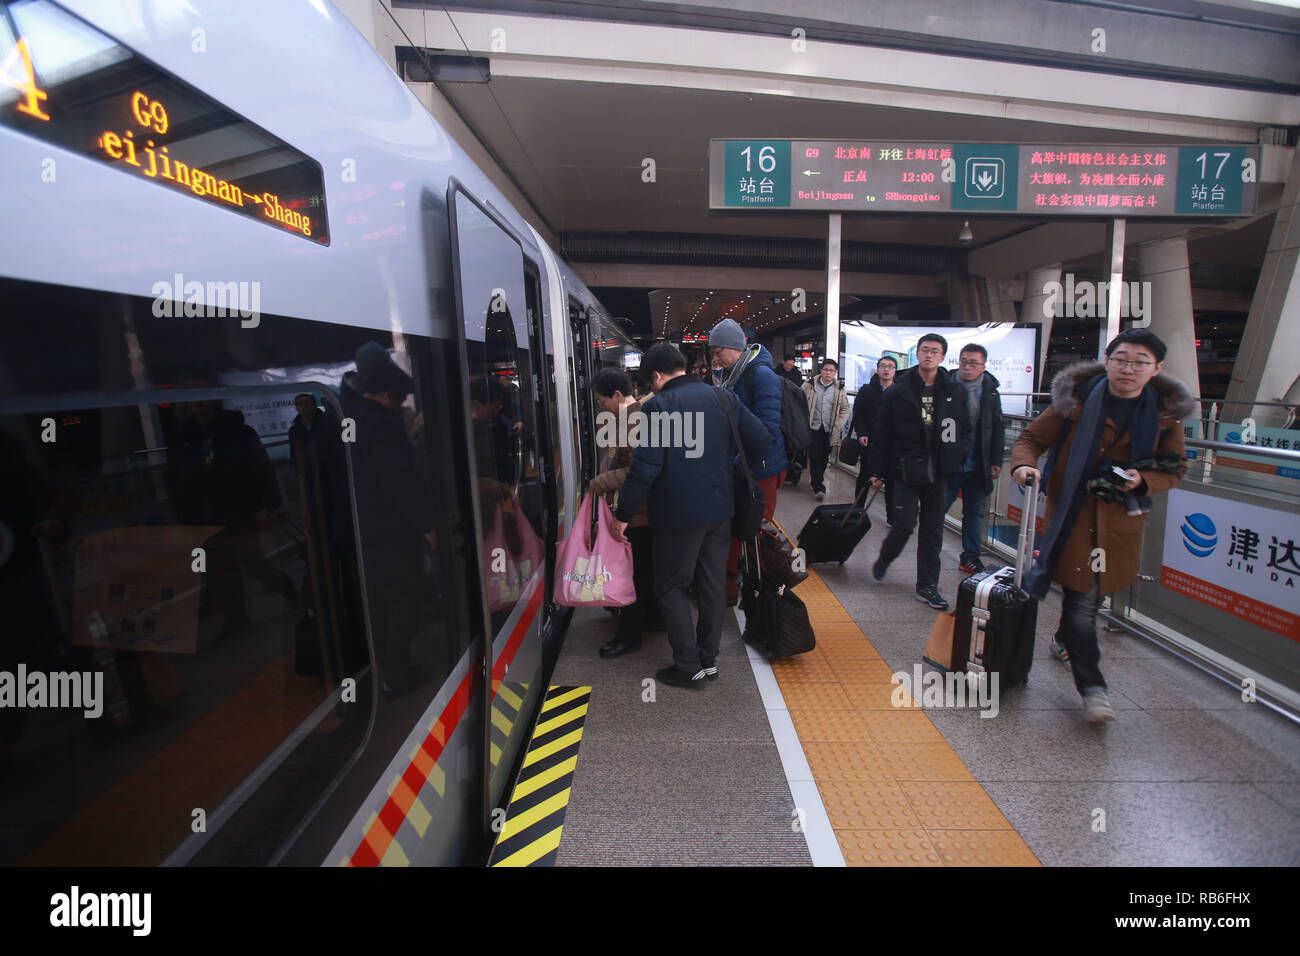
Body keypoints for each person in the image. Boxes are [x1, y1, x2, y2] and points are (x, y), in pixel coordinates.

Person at [1011, 329, 1192, 723]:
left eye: (1140, 362)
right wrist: (1024, 464)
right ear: (1107, 361)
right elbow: (1030, 438)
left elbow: (1175, 467)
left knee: (1085, 599)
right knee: (1083, 603)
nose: (1128, 368)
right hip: (1073, 517)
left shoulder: (1165, 413)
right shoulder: (1074, 400)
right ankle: (1093, 689)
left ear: (1157, 368)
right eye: (1121, 359)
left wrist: (1143, 481)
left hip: (1119, 520)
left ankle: (1063, 639)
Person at [610, 344, 769, 688]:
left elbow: (645, 467)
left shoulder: (659, 408)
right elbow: (762, 440)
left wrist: (623, 513)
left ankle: (688, 665)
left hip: (679, 515)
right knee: (711, 586)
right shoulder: (724, 399)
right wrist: (728, 467)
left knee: (670, 586)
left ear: (656, 375)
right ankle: (708, 661)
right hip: (720, 510)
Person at [340, 342, 438, 696]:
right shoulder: (382, 426)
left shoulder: (347, 414)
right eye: (397, 399)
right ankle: (397, 676)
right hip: (390, 531)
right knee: (403, 600)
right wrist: (426, 526)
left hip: (364, 528)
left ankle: (387, 669)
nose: (399, 407)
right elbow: (398, 484)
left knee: (383, 603)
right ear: (384, 393)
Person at [866, 333, 969, 611]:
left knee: (933, 529)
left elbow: (964, 429)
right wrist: (878, 470)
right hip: (906, 468)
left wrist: (958, 458)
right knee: (904, 524)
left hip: (940, 470)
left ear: (943, 357)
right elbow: (882, 433)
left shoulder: (953, 390)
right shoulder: (899, 390)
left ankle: (927, 585)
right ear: (917, 354)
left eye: (935, 351)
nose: (929, 355)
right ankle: (885, 557)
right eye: (924, 350)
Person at [707, 318, 788, 604]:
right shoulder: (732, 375)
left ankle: (765, 586)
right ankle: (733, 581)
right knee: (735, 525)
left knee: (753, 528)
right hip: (743, 465)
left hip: (762, 468)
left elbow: (766, 430)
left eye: (718, 352)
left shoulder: (760, 375)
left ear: (735, 348)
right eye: (713, 353)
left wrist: (739, 462)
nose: (715, 359)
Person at [587, 368, 662, 658]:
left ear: (618, 395)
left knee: (636, 575)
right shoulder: (632, 415)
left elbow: (638, 471)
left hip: (641, 512)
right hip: (641, 509)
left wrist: (600, 483)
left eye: (602, 400)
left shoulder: (635, 421)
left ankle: (629, 636)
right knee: (646, 572)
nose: (601, 407)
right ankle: (655, 619)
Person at [943, 345, 1005, 574]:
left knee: (975, 512)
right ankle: (929, 552)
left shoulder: (990, 391)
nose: (967, 367)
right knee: (937, 509)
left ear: (983, 367)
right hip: (949, 463)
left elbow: (997, 427)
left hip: (978, 463)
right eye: (964, 361)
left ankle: (970, 556)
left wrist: (995, 460)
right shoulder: (946, 385)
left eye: (973, 363)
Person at [801, 358, 851, 500]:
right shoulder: (809, 385)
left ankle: (817, 479)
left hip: (830, 429)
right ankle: (818, 485)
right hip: (813, 427)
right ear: (821, 371)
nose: (828, 373)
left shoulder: (839, 389)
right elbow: (798, 402)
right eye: (826, 369)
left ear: (835, 373)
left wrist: (839, 425)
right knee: (815, 456)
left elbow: (845, 409)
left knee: (824, 457)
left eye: (831, 370)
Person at [851, 356, 897, 508]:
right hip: (870, 440)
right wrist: (862, 433)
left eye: (890, 366)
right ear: (877, 369)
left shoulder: (899, 392)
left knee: (891, 478)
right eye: (883, 366)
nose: (886, 369)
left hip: (892, 443)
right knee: (865, 474)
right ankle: (858, 507)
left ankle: (891, 515)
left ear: (895, 371)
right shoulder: (867, 390)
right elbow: (859, 414)